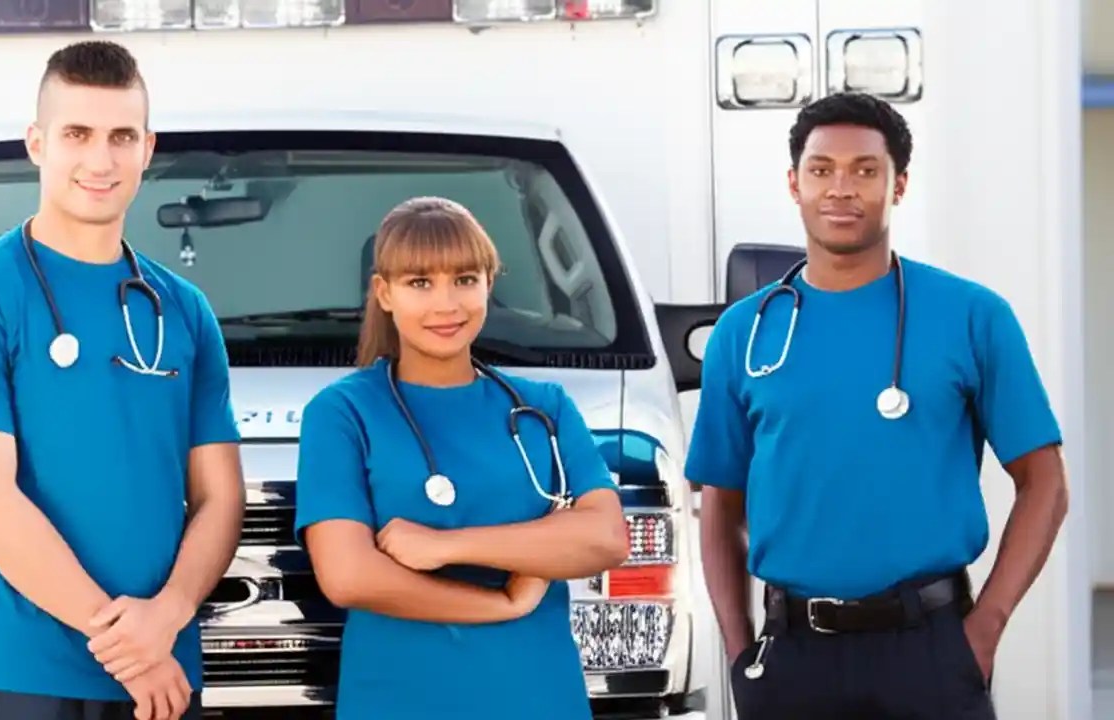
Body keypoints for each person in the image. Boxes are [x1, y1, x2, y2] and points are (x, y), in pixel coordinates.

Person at [687, 92, 1069, 719]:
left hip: (932, 651)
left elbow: (1045, 480)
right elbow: (720, 506)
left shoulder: (972, 316)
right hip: (792, 660)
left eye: (865, 170)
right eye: (821, 169)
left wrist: (985, 629)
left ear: (899, 185)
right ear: (794, 183)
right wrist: (739, 651)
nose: (842, 188)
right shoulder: (744, 334)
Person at [0, 40, 244, 720]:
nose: (102, 159)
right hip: (26, 669)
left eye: (122, 136)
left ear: (148, 148)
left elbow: (219, 500)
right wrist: (127, 644)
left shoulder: (183, 310)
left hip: (163, 674)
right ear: (37, 143)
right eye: (78, 134)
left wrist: (170, 617)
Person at [293, 196, 630, 720]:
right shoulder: (344, 412)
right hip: (399, 701)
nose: (447, 304)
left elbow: (604, 539)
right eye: (420, 283)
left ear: (489, 284)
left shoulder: (543, 407)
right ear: (384, 293)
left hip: (537, 698)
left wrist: (441, 545)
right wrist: (503, 601)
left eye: (465, 279)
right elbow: (349, 575)